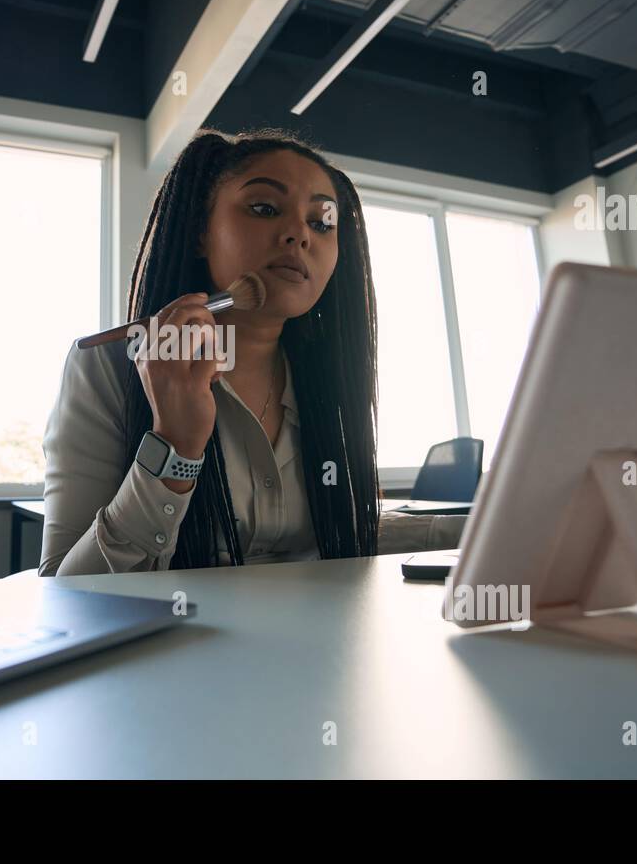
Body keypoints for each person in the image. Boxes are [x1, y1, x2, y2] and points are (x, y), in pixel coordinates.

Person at [39, 128, 466, 576]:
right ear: (201, 232)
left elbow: (344, 530)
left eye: (322, 223)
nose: (299, 235)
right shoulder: (108, 368)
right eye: (264, 208)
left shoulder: (324, 379)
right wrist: (175, 448)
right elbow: (67, 591)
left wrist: (483, 530)